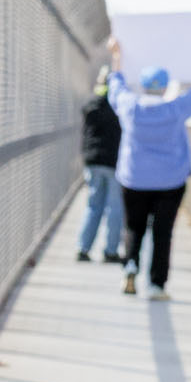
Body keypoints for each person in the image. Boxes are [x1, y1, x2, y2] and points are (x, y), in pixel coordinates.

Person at [107, 53, 191, 300]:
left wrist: (117, 55)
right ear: (164, 87)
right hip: (170, 181)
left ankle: (130, 266)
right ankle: (156, 285)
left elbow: (115, 85)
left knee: (133, 227)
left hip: (134, 179)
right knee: (162, 233)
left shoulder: (130, 107)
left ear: (143, 85)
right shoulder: (175, 109)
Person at [77, 70, 126, 261]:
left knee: (93, 205)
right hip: (114, 162)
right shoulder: (119, 106)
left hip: (93, 161)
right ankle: (111, 251)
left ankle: (83, 248)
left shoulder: (91, 105)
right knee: (115, 208)